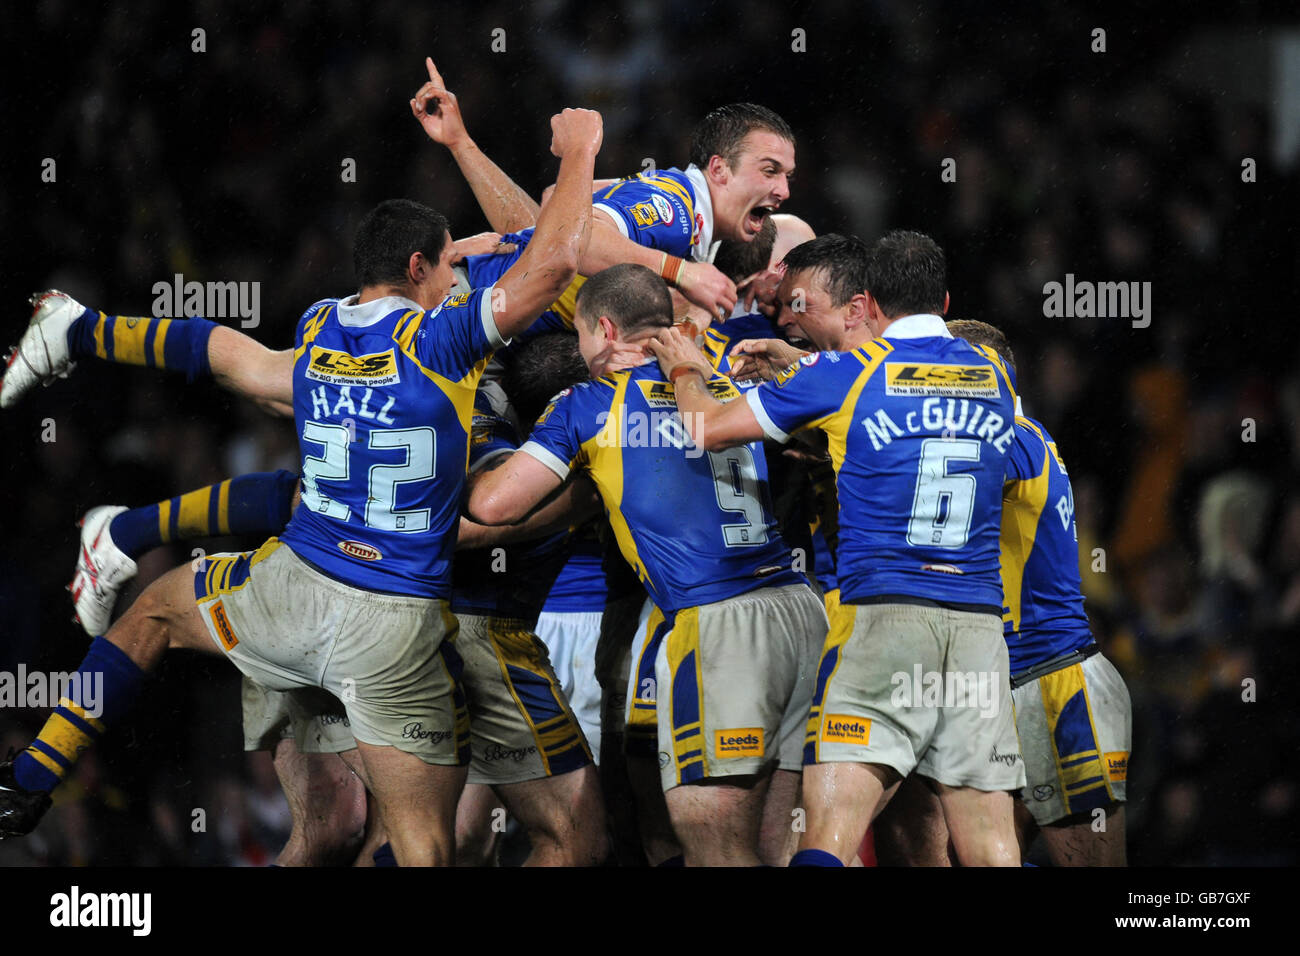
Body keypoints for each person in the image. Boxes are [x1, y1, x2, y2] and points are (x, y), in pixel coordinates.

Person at [0, 107, 605, 867]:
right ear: (419, 267)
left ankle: (26, 783)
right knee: (425, 850)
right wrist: (580, 149)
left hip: (293, 587)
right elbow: (551, 271)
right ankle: (122, 524)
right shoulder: (444, 338)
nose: (456, 280)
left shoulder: (321, 326)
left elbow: (237, 362)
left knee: (151, 615)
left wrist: (94, 334)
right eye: (449, 266)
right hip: (392, 627)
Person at [647, 230, 1026, 866]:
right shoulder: (993, 378)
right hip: (979, 631)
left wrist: (685, 365)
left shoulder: (846, 372)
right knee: (991, 848)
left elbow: (706, 429)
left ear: (868, 303)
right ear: (946, 299)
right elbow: (923, 410)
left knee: (827, 836)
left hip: (885, 618)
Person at [467, 263, 827, 866]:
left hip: (718, 626)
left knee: (714, 845)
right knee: (777, 844)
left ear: (604, 329)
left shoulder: (589, 403)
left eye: (581, 335)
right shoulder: (728, 367)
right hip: (799, 611)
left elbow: (495, 505)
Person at [874, 320, 1131, 867]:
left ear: (985, 375)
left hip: (1056, 685)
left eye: (947, 372)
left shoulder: (1008, 440)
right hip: (1006, 687)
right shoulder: (1019, 437)